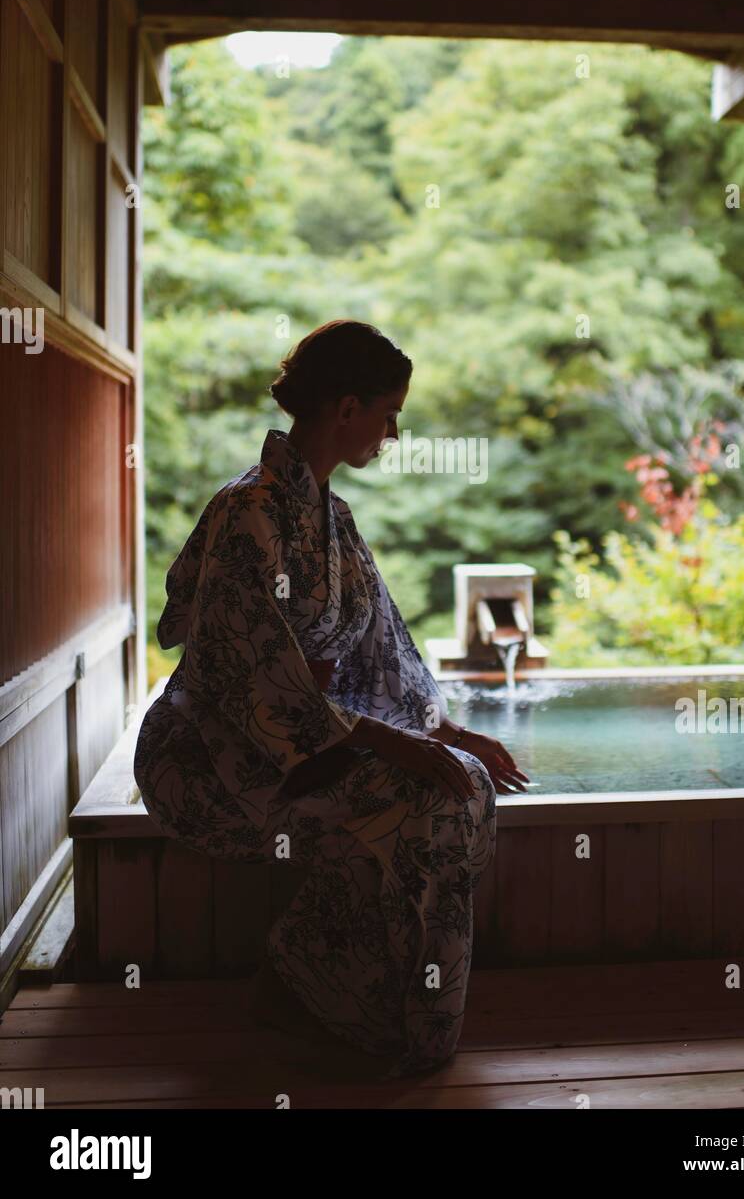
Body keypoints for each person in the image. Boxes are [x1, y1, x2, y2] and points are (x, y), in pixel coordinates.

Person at [134, 319, 529, 1080]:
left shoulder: (331, 515)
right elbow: (247, 670)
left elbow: (378, 649)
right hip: (213, 758)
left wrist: (445, 729)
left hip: (303, 745)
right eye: (388, 412)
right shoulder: (248, 509)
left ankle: (318, 971)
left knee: (463, 783)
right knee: (430, 802)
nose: (392, 431)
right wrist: (393, 743)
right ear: (346, 408)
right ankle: (330, 991)